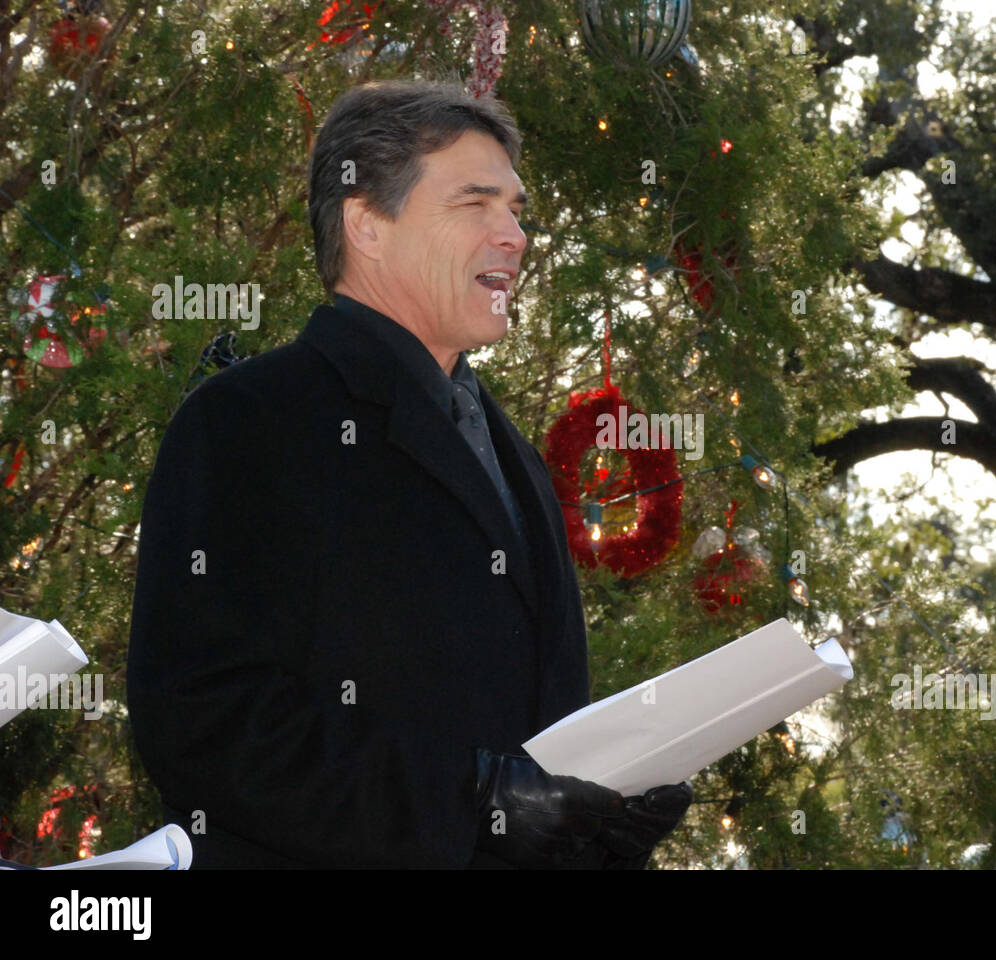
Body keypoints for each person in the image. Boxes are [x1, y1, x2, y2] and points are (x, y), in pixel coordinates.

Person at [126, 79, 691, 869]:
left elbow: (525, 734)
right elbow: (203, 723)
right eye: (476, 203)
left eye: (518, 210)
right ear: (368, 225)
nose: (515, 235)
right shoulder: (248, 418)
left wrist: (596, 821)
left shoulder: (517, 456)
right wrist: (477, 805)